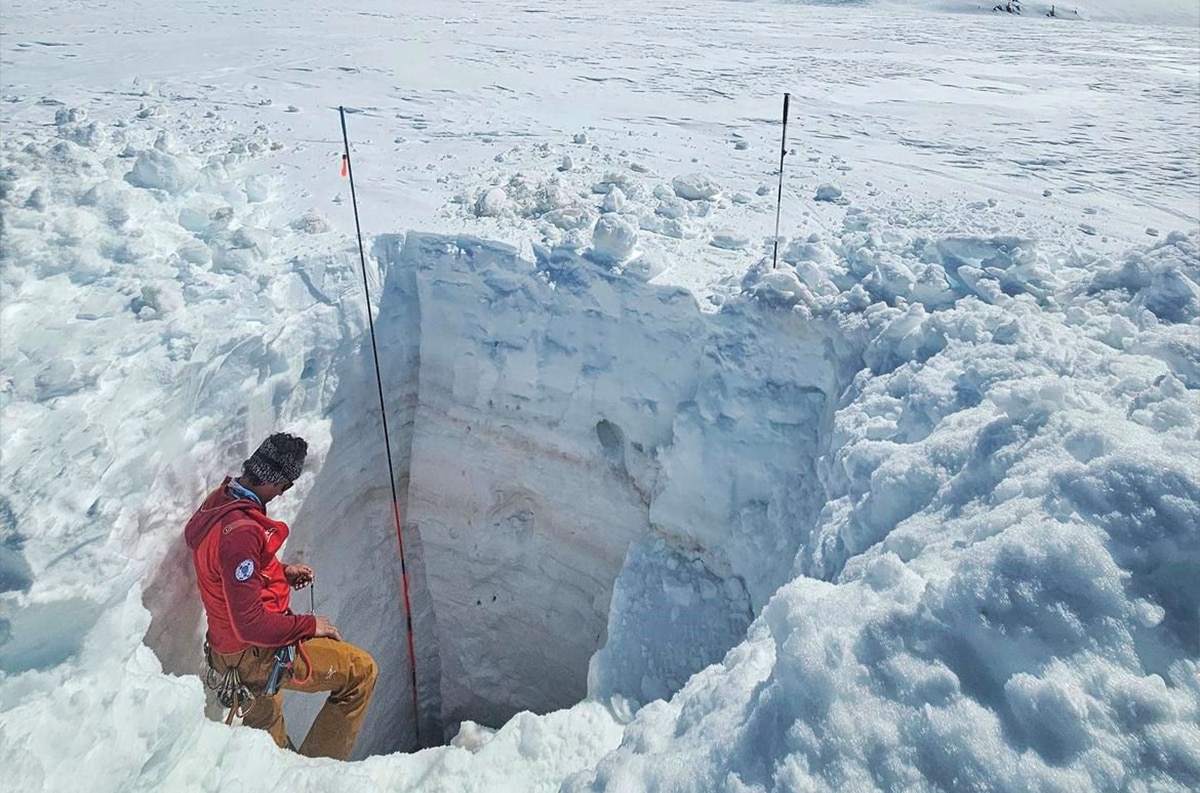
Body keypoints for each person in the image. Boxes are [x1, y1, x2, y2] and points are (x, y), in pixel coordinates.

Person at [185, 432, 376, 760]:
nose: (283, 493)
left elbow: (229, 570)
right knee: (361, 673)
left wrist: (280, 573)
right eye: (286, 486)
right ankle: (320, 777)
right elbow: (250, 625)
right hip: (254, 654)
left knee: (272, 752)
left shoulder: (222, 501)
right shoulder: (241, 535)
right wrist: (308, 625)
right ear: (278, 484)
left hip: (229, 653)